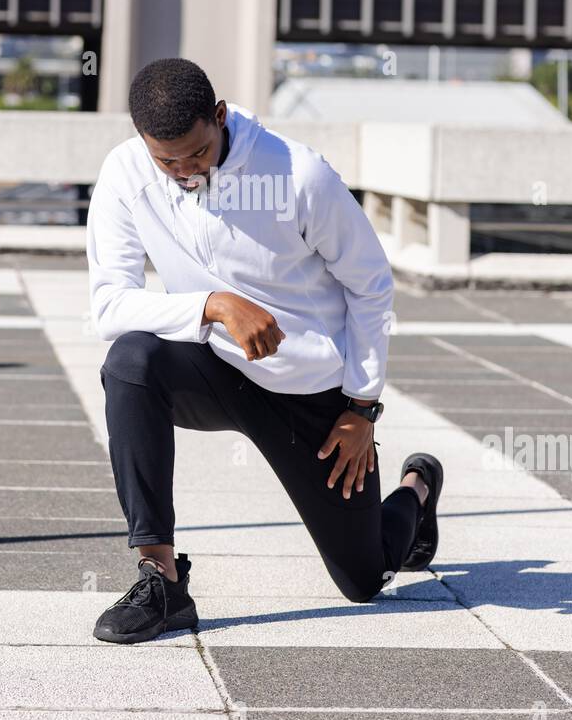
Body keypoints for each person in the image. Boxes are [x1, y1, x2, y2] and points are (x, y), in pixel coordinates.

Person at [86, 57, 443, 644]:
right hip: (215, 369)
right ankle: (161, 579)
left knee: (365, 576)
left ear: (220, 117)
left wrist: (361, 408)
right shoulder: (126, 175)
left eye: (196, 154)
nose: (183, 172)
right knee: (130, 362)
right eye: (166, 160)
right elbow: (110, 305)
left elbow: (371, 284)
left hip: (312, 393)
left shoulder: (298, 174)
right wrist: (214, 304)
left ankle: (417, 487)